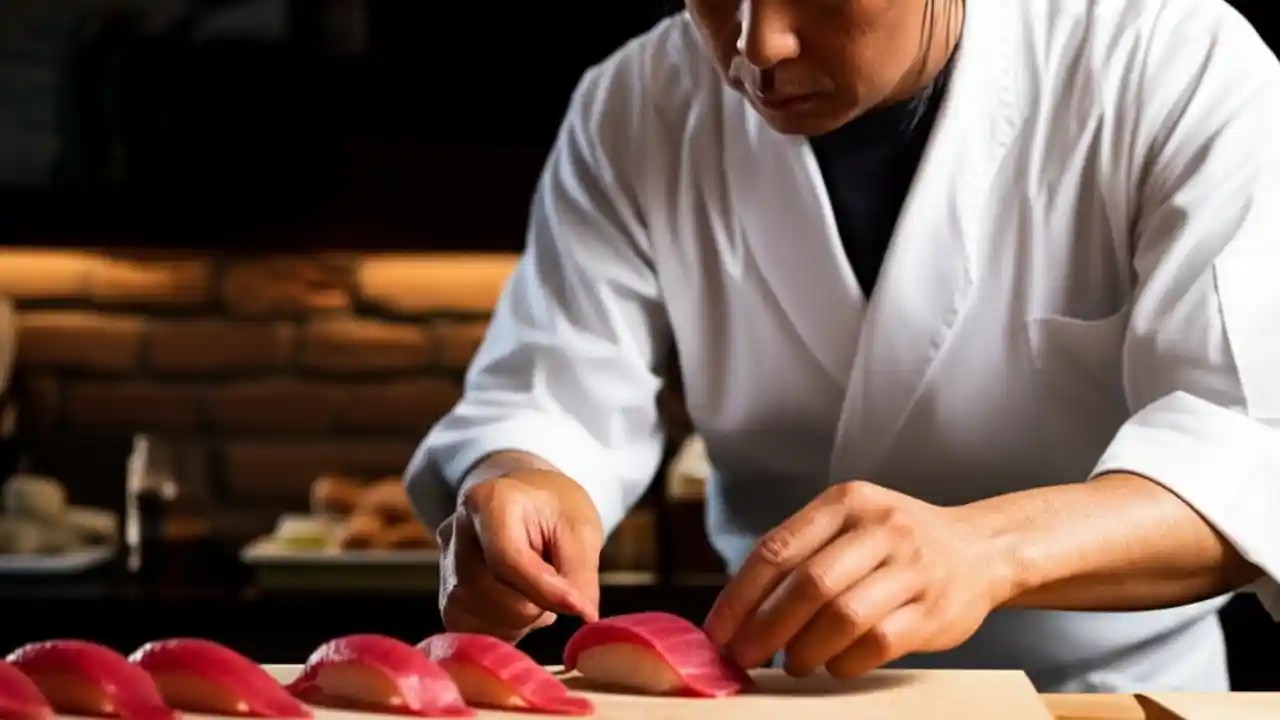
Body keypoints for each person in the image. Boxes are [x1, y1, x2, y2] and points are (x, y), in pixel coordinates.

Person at [405, 0, 1280, 693]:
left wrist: (990, 550)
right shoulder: (636, 101)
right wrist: (523, 479)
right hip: (793, 694)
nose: (758, 43)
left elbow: (1252, 448)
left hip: (1096, 695)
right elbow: (551, 396)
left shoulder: (1172, 59)